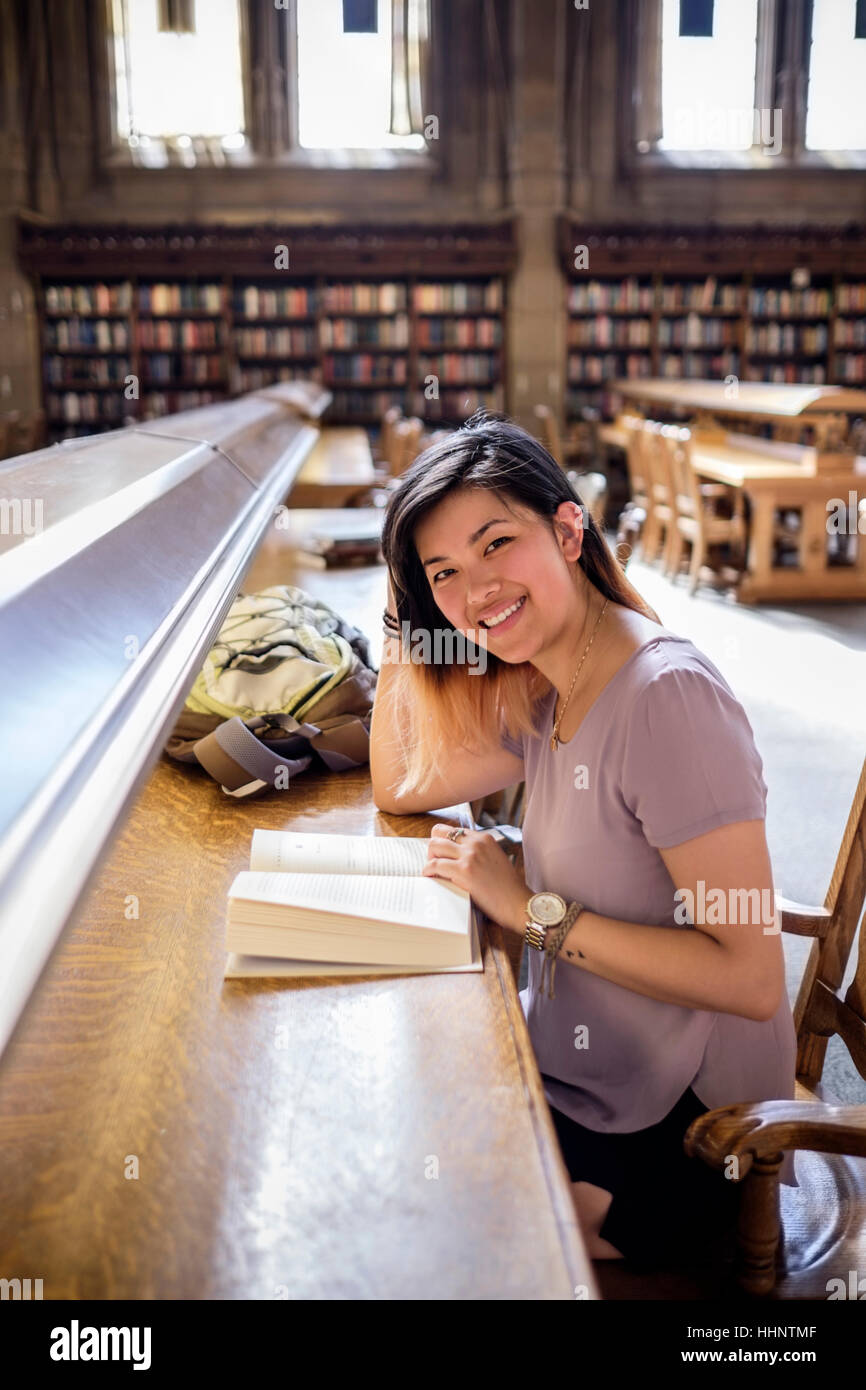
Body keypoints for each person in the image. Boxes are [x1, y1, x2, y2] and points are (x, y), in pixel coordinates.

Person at [370, 409, 797, 1271]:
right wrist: (401, 606)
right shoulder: (547, 682)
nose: (477, 588)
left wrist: (530, 912)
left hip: (692, 1125)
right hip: (585, 1065)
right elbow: (400, 783)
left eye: (496, 544)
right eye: (446, 571)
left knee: (464, 1234)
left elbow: (750, 979)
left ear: (569, 529)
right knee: (403, 1139)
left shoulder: (667, 699)